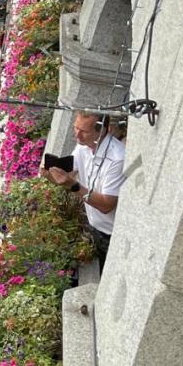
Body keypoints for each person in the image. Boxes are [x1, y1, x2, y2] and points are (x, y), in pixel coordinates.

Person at [44, 112, 125, 265]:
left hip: (114, 235)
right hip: (96, 228)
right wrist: (50, 174)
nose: (78, 136)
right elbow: (70, 171)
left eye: (84, 131)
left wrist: (73, 185)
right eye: (76, 128)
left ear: (102, 130)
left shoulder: (117, 158)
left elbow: (106, 205)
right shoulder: (85, 146)